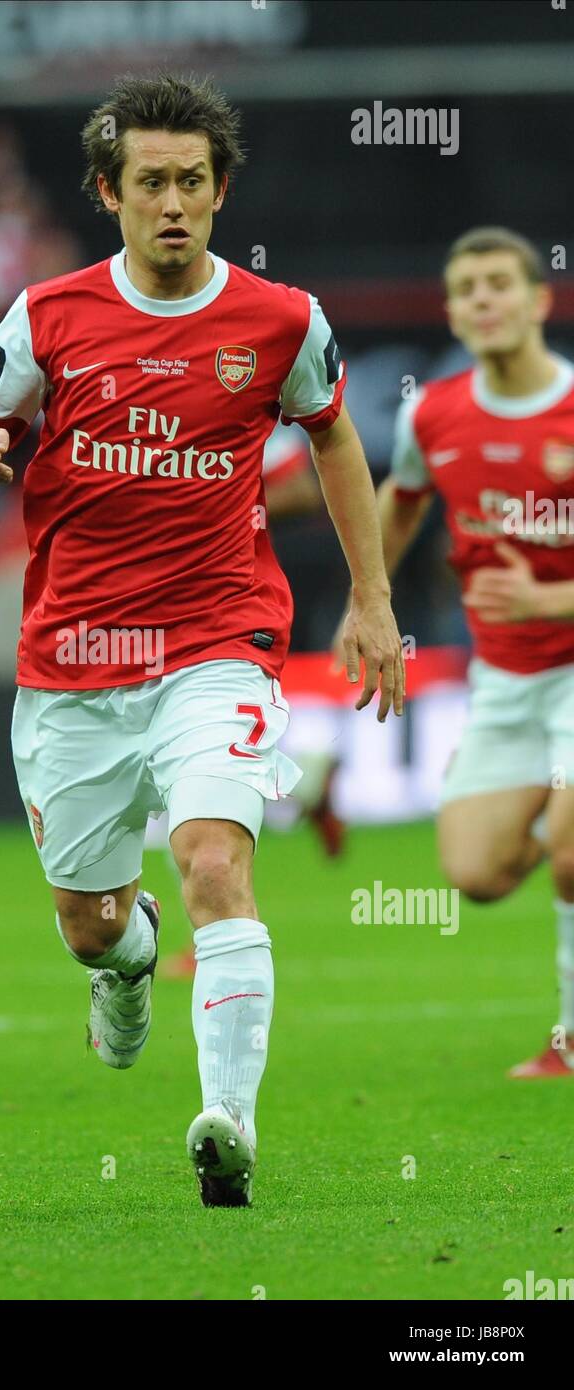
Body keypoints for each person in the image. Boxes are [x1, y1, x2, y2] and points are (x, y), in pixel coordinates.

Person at [0, 73, 403, 1204]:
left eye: (194, 181)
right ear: (110, 193)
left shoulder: (281, 319)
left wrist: (370, 596)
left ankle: (227, 1125)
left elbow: (334, 441)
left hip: (216, 641)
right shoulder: (50, 315)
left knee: (212, 861)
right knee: (91, 930)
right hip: (71, 669)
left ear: (221, 188)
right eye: (151, 183)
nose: (175, 202)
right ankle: (126, 962)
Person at [333, 226, 574, 1079]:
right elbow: (402, 499)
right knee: (474, 872)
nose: (483, 298)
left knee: (573, 849)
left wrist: (553, 597)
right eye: (466, 287)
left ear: (539, 301)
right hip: (505, 677)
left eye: (499, 283)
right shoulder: (434, 413)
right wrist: (372, 596)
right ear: (452, 312)